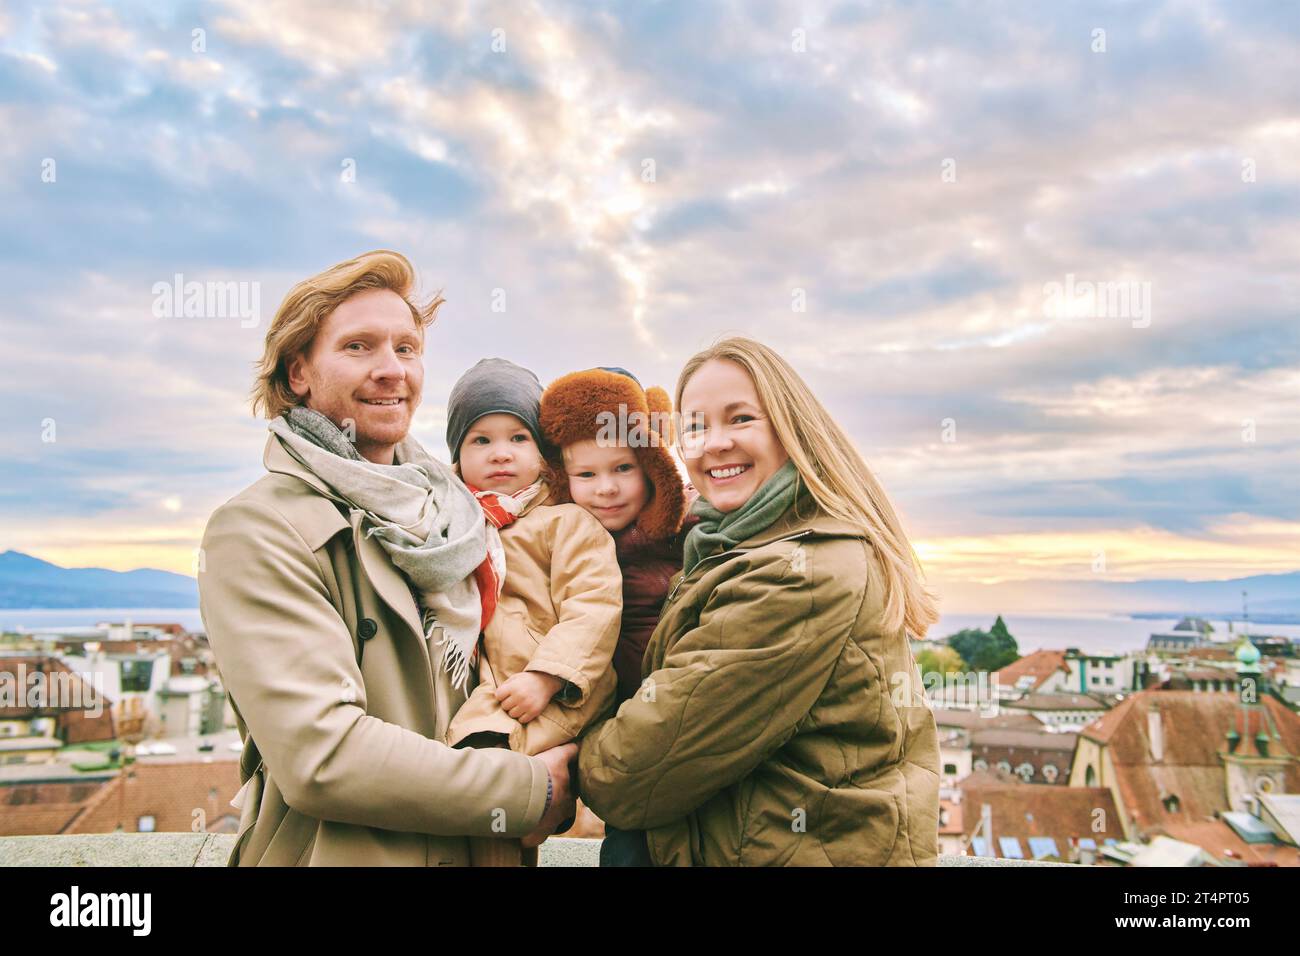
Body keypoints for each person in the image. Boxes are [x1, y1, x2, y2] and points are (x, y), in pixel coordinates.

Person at [198, 250, 575, 866]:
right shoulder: (258, 529)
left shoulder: (457, 516)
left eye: (406, 347)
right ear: (298, 373)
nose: (391, 370)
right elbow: (324, 758)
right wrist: (536, 789)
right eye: (358, 347)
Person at [577, 336, 941, 866]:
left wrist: (558, 755)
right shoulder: (738, 544)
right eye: (696, 426)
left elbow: (631, 775)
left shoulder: (798, 576)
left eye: (741, 418)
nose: (714, 443)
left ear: (789, 428)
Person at [442, 358, 623, 865]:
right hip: (494, 691)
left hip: (555, 692)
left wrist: (546, 676)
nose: (501, 453)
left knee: (497, 786)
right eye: (480, 440)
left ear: (544, 454)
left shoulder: (564, 522)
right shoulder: (455, 529)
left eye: (518, 438)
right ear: (456, 457)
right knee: (473, 796)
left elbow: (594, 606)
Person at [538, 365, 698, 865]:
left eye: (622, 469)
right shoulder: (563, 544)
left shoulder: (688, 532)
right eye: (586, 475)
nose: (605, 488)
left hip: (680, 719)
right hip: (614, 737)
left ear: (653, 467)